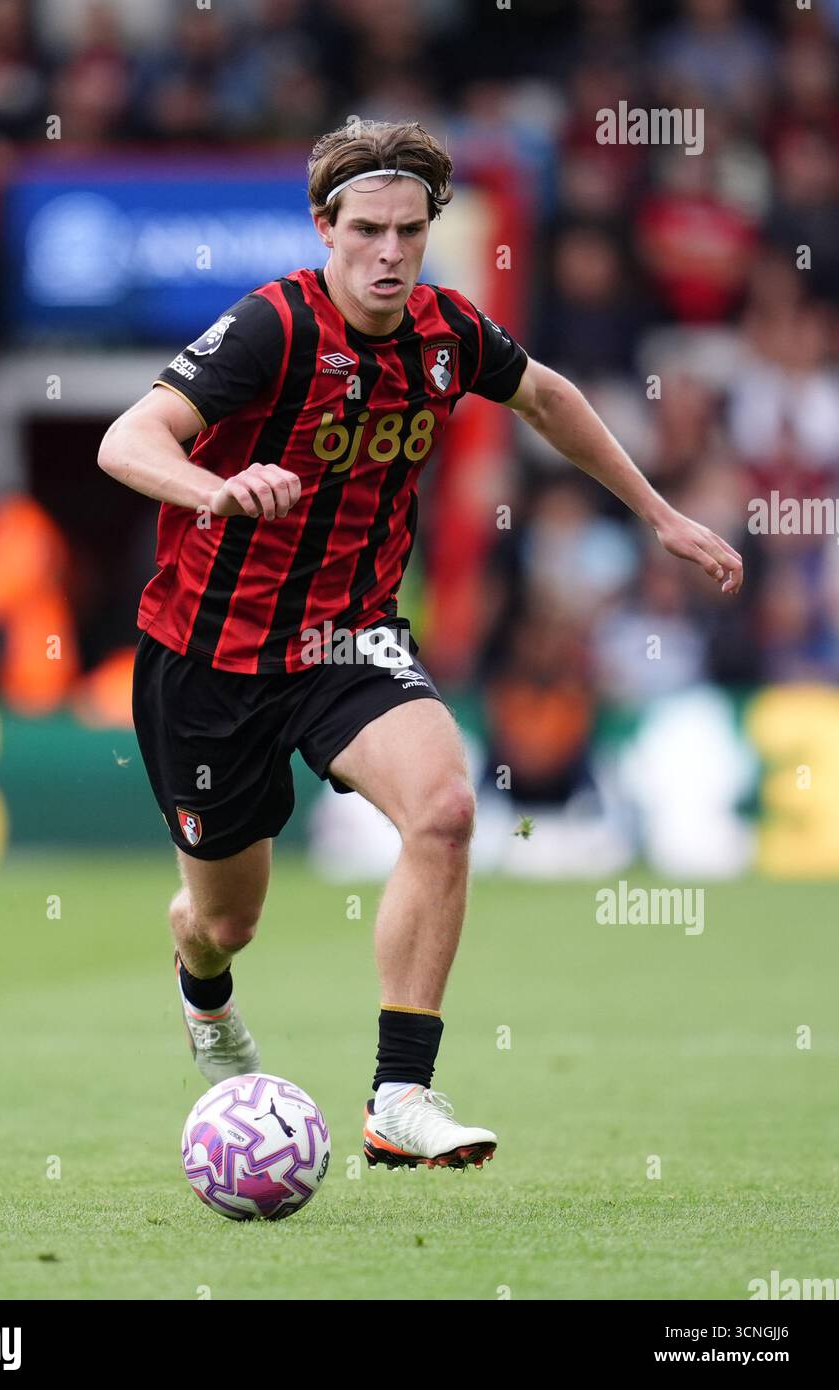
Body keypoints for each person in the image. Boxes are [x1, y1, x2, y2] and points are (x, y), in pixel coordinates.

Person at [98, 119, 744, 1172]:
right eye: (366, 231)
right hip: (211, 656)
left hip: (351, 637)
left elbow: (545, 395)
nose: (390, 253)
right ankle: (201, 984)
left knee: (444, 810)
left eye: (409, 230)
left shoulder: (447, 333)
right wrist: (216, 489)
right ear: (325, 229)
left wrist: (658, 514)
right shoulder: (272, 330)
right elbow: (127, 438)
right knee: (228, 919)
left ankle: (401, 1092)